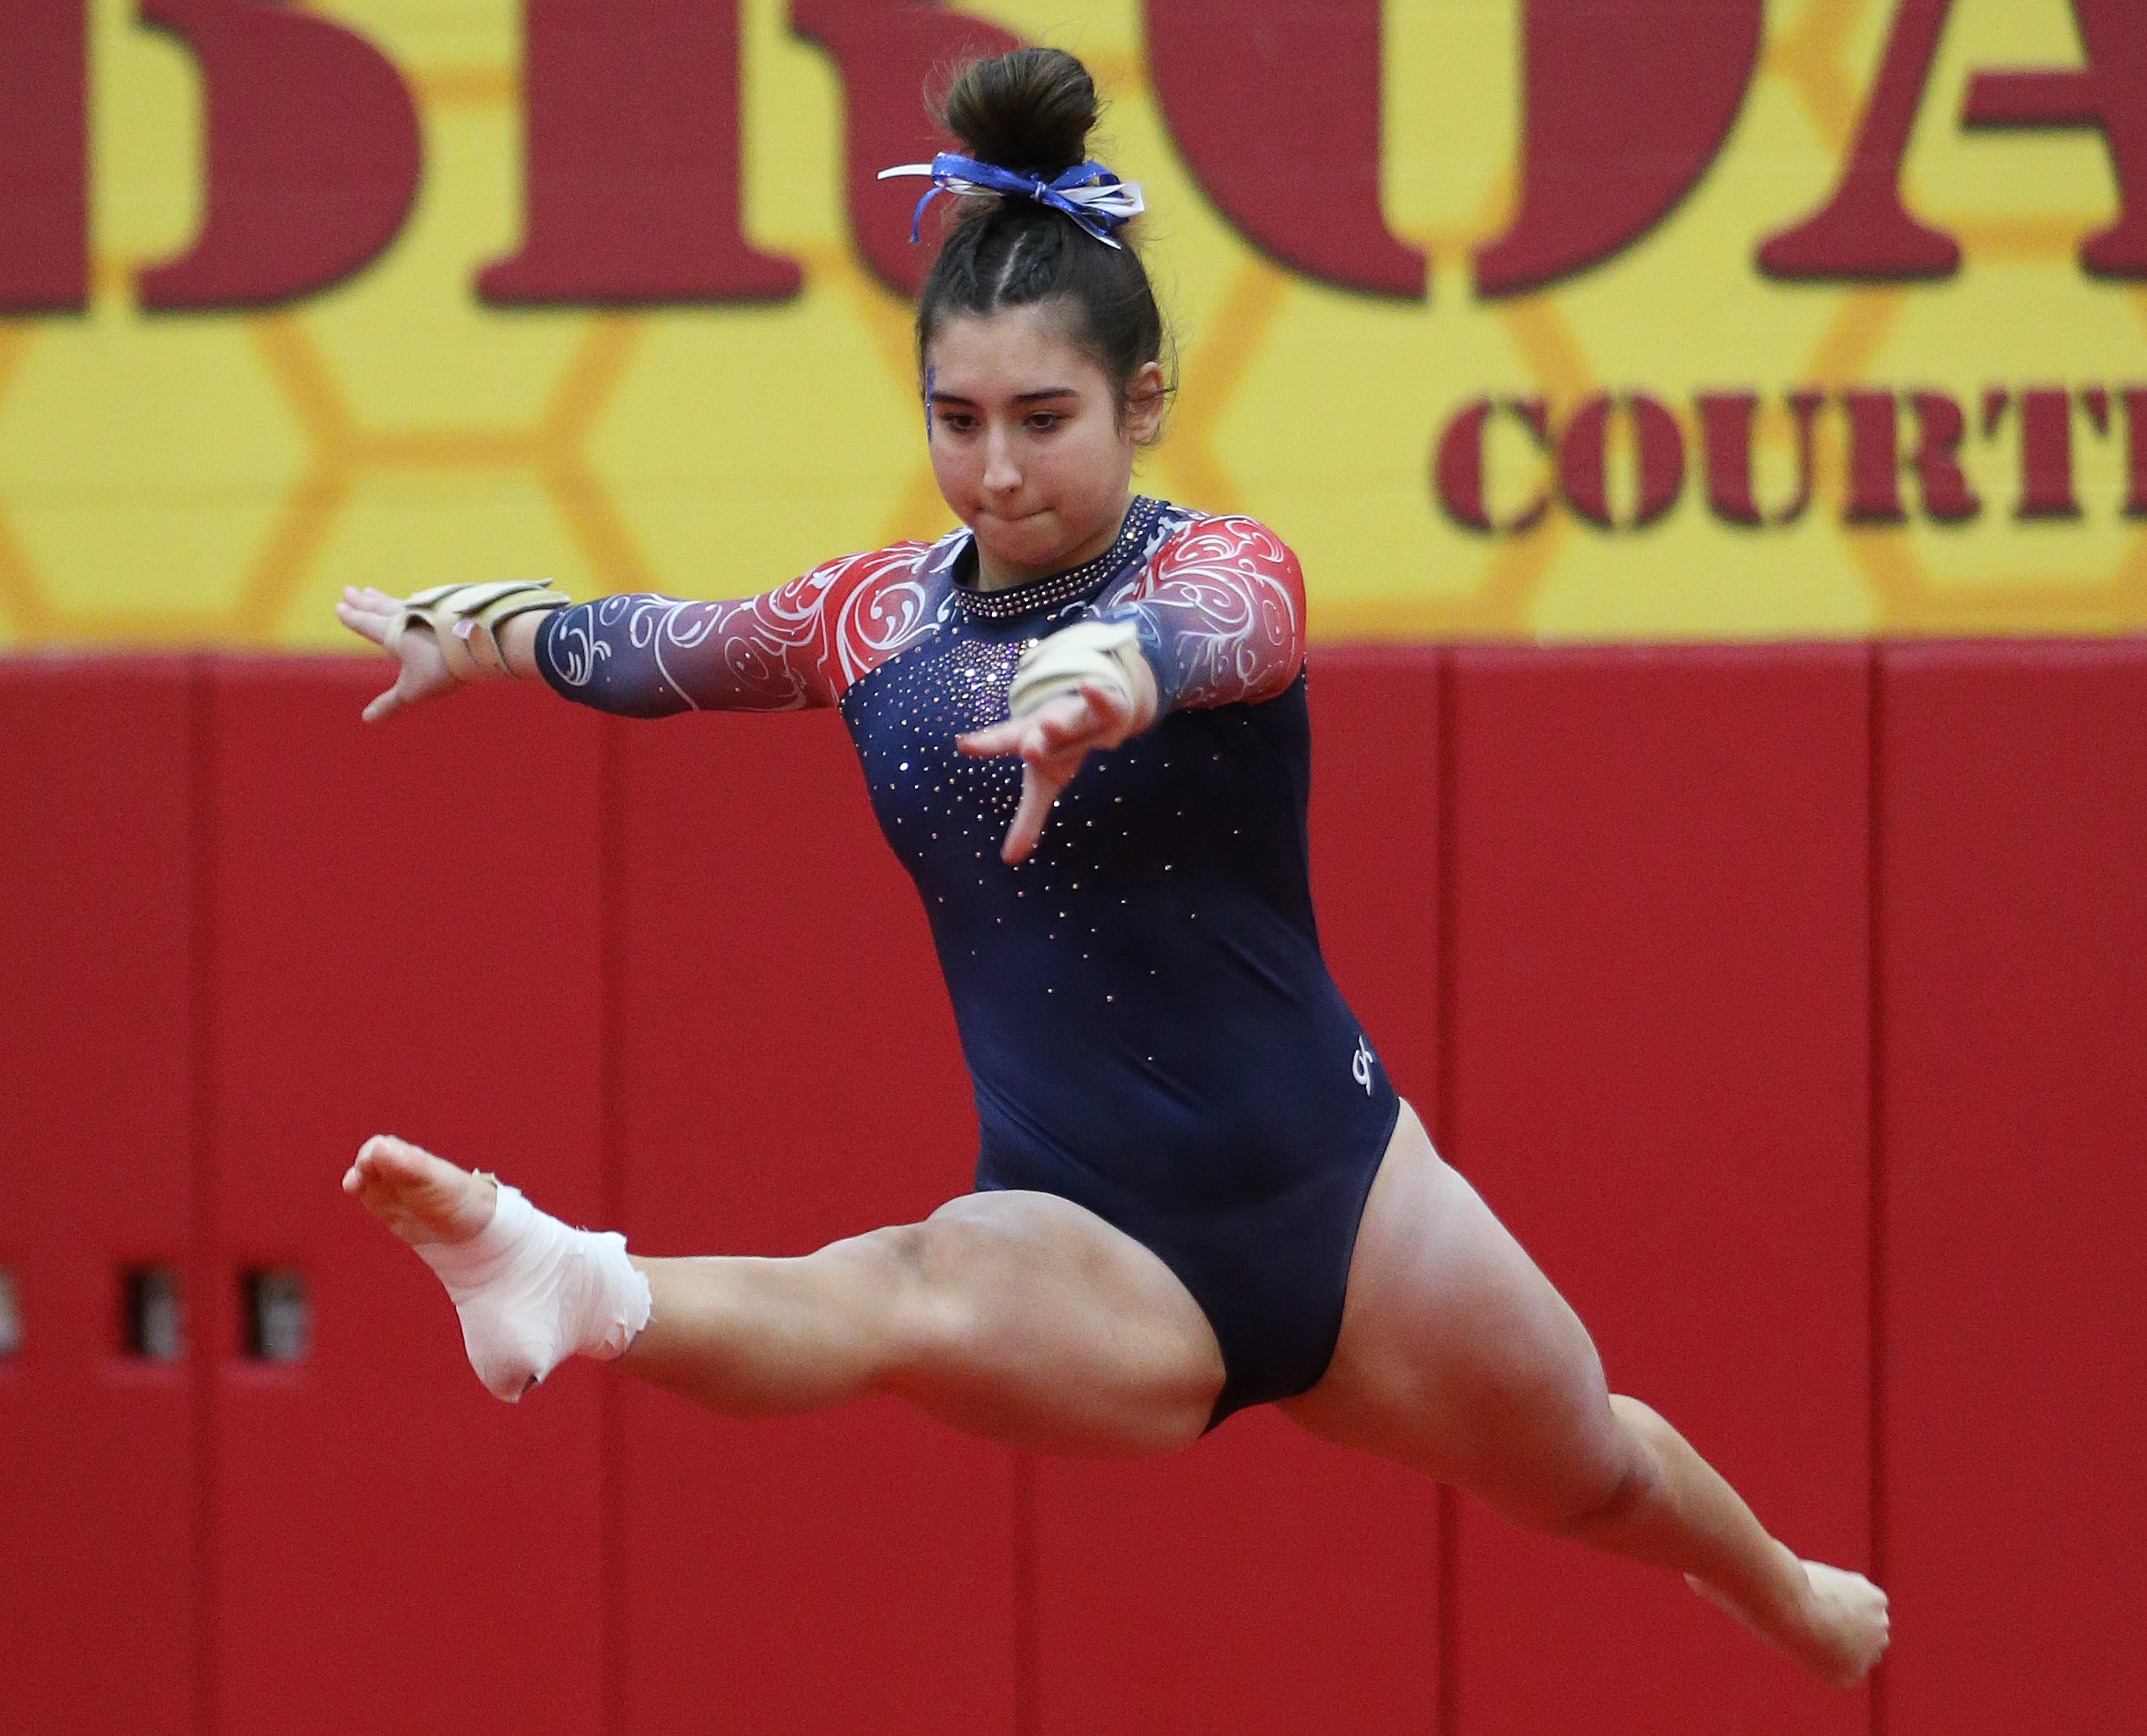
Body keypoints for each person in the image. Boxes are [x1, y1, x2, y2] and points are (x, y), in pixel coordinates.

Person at [335, 46, 1888, 1688]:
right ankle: (563, 1277)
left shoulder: (1214, 568)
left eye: (1044, 420)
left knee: (1596, 1474)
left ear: (1144, 404)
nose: (998, 470)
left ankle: (1786, 1593)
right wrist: (479, 633)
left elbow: (1226, 631)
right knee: (902, 1295)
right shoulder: (873, 621)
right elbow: (650, 642)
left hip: (1355, 1204)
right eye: (957, 418)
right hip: (1089, 1238)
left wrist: (1107, 678)